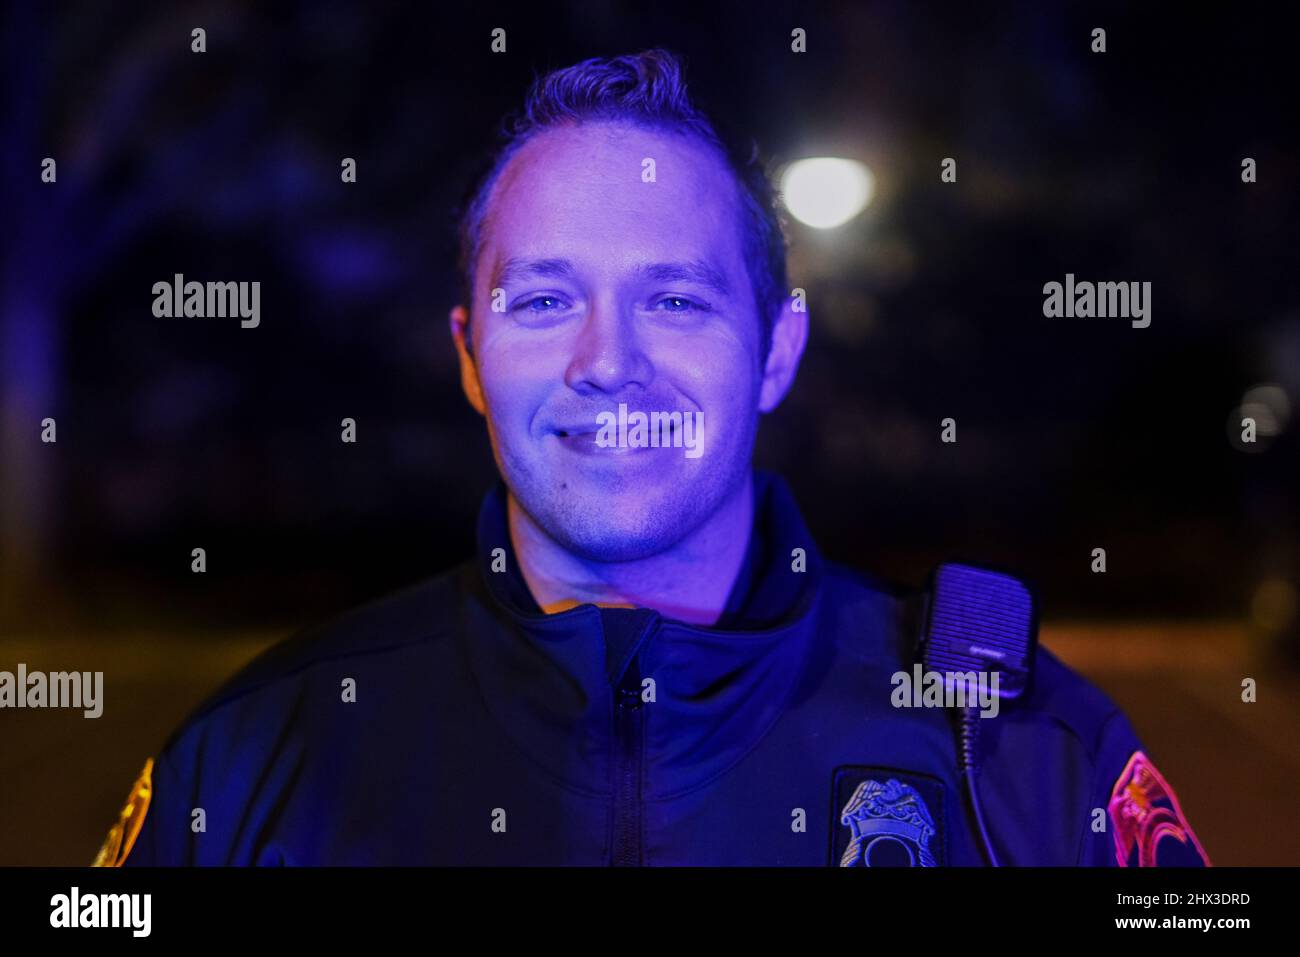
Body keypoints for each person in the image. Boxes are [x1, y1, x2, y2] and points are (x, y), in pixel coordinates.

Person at [96, 49, 1208, 867]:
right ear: (471, 357)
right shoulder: (254, 759)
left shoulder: (1015, 748)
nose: (607, 362)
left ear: (776, 352)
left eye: (674, 299)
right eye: (542, 300)